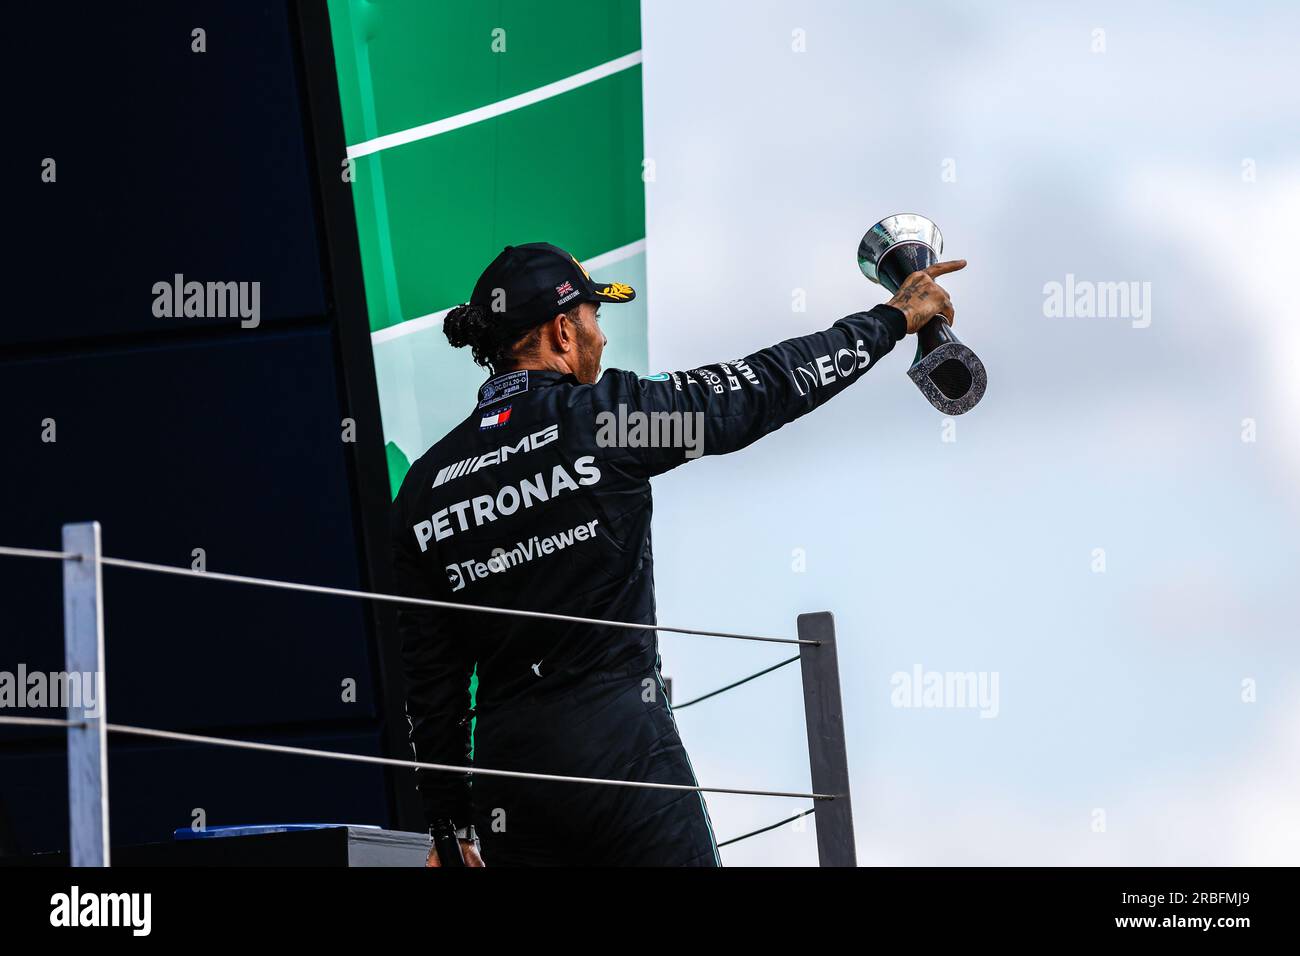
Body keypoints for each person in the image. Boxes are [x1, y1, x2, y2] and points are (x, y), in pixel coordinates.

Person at [392, 241, 964, 866]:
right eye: (594, 319)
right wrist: (890, 320)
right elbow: (759, 390)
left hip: (512, 782)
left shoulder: (424, 486)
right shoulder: (607, 421)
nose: (601, 340)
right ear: (562, 329)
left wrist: (449, 830)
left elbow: (431, 682)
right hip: (620, 747)